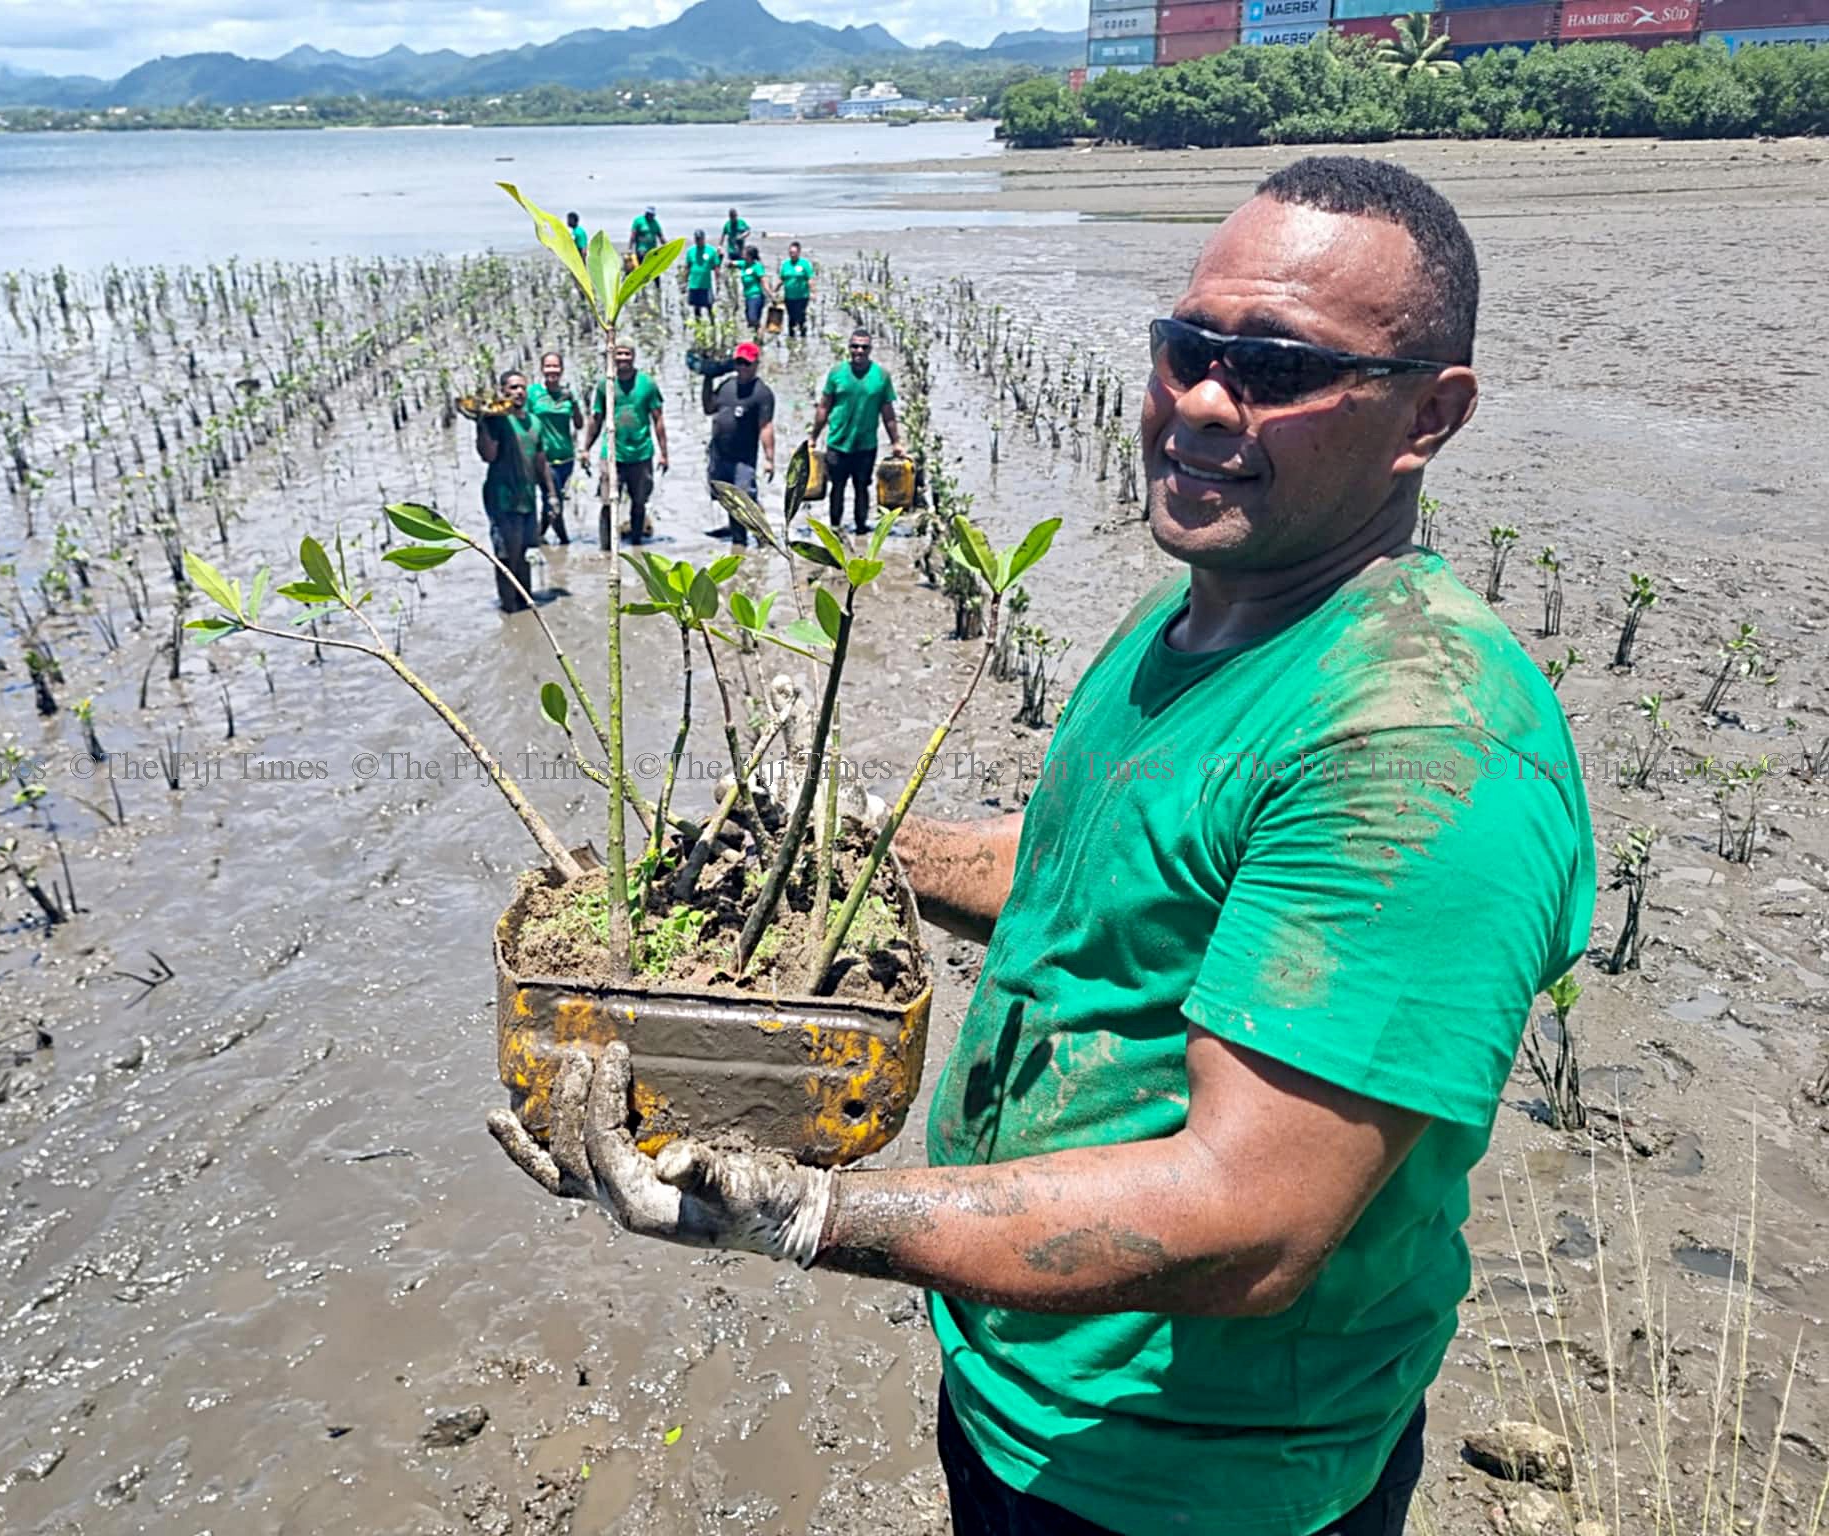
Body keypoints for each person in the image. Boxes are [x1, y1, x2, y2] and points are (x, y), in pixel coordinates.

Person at [490, 155, 1597, 1536]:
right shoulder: (1207, 611)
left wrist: (812, 1214)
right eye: (1187, 348)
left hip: (1195, 1484)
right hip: (1021, 1384)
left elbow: (1250, 1218)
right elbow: (1094, 871)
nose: (1205, 400)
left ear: (1429, 414)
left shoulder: (1422, 749)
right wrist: (848, 849)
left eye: (1278, 369)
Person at [810, 330, 901, 534]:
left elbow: (888, 413)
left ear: (870, 349)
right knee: (837, 487)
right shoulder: (837, 373)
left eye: (864, 347)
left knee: (862, 487)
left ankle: (861, 529)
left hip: (866, 445)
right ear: (849, 348)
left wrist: (896, 442)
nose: (859, 351)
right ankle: (835, 529)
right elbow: (824, 407)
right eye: (855, 346)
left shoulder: (881, 376)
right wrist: (813, 437)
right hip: (838, 443)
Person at [476, 370, 552, 613]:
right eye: (513, 388)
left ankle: (526, 608)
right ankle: (510, 610)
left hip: (527, 498)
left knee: (525, 555)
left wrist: (551, 495)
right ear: (503, 392)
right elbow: (488, 455)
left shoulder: (535, 422)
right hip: (502, 498)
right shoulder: (497, 420)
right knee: (506, 557)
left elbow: (541, 462)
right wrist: (482, 423)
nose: (519, 392)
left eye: (522, 387)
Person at [582, 342, 667, 547]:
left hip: (641, 453)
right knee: (608, 503)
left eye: (627, 354)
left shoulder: (647, 383)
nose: (622, 358)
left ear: (634, 356)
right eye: (618, 354)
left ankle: (637, 545)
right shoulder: (605, 384)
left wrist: (664, 453)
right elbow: (596, 418)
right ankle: (606, 548)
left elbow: (658, 419)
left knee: (639, 502)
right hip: (612, 453)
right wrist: (585, 449)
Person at [701, 342, 776, 544]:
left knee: (743, 498)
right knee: (726, 498)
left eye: (747, 364)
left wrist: (769, 459)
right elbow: (709, 408)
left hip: (743, 458)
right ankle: (738, 542)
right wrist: (708, 378)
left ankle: (763, 538)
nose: (742, 368)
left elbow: (765, 426)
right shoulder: (727, 386)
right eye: (739, 363)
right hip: (720, 454)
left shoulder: (762, 393)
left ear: (756, 364)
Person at [526, 352, 582, 545]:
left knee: (551, 501)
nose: (552, 370)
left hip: (566, 457)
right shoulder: (532, 393)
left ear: (562, 369)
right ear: (542, 369)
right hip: (543, 459)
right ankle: (565, 543)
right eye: (548, 366)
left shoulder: (567, 394)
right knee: (554, 501)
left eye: (556, 366)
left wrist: (574, 403)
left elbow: (579, 424)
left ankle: (537, 538)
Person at [684, 230, 723, 319]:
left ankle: (712, 323)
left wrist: (718, 282)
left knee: (709, 306)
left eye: (700, 239)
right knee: (696, 308)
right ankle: (698, 324)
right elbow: (687, 267)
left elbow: (716, 267)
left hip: (706, 285)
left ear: (704, 238)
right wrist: (684, 281)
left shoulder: (711, 250)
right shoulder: (691, 251)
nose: (698, 241)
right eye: (696, 239)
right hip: (694, 284)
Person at [778, 241, 814, 338]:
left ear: (799, 252)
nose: (792, 254)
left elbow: (810, 279)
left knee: (801, 316)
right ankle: (791, 337)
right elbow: (781, 278)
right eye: (790, 252)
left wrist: (813, 292)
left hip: (802, 296)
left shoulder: (804, 264)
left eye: (794, 252)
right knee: (791, 317)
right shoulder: (786, 264)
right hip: (789, 297)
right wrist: (774, 290)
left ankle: (803, 336)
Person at [738, 244, 772, 334]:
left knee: (753, 319)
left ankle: (761, 334)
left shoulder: (757, 267)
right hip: (748, 297)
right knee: (750, 322)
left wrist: (770, 294)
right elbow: (732, 263)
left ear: (750, 256)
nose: (742, 254)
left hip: (756, 297)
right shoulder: (743, 264)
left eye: (744, 253)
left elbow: (764, 281)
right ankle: (757, 336)